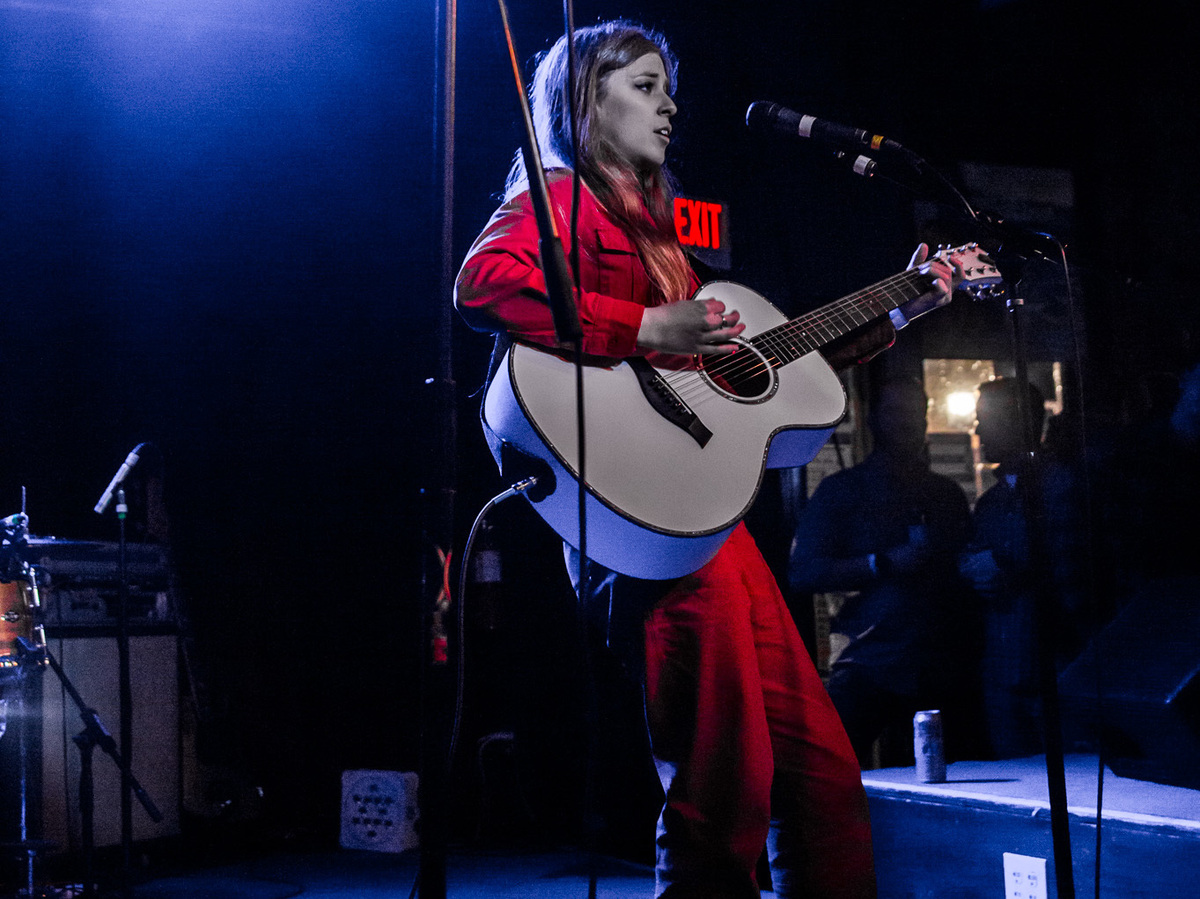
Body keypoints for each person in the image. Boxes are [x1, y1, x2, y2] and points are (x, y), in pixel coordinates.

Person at [455, 20, 957, 899]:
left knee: (820, 773)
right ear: (586, 99)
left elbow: (766, 370)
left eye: (670, 90)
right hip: (647, 526)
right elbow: (484, 283)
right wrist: (646, 325)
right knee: (724, 783)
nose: (669, 106)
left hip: (711, 528)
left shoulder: (657, 237)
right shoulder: (563, 197)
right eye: (644, 86)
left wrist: (903, 305)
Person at [788, 378, 978, 768]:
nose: (909, 422)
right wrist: (881, 563)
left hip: (938, 666)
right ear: (874, 419)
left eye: (917, 412)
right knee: (831, 770)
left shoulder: (945, 494)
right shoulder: (842, 491)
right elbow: (803, 572)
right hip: (868, 661)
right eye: (897, 411)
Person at [958, 377, 1089, 758]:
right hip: (1005, 671)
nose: (978, 430)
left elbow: (1077, 576)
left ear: (1016, 421)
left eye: (984, 419)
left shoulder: (1064, 486)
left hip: (1055, 671)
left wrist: (1011, 572)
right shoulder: (993, 501)